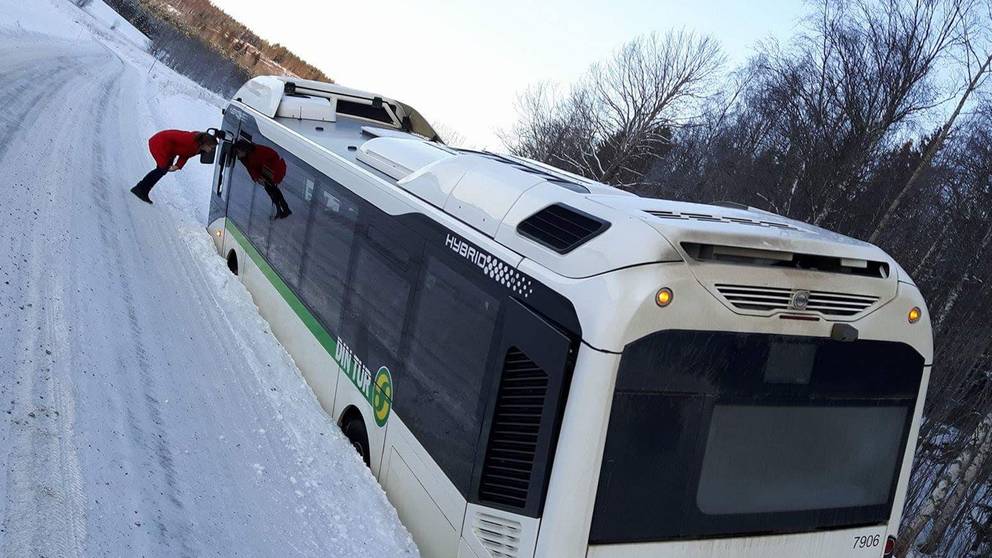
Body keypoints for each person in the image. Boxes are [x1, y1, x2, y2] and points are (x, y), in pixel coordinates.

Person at [130, 130, 217, 204]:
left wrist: (177, 166)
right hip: (159, 143)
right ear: (206, 144)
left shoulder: (197, 145)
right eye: (211, 147)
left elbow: (186, 154)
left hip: (166, 147)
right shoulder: (191, 141)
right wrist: (171, 160)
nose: (211, 150)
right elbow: (179, 147)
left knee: (162, 170)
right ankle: (140, 189)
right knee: (161, 169)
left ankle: (142, 190)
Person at [234, 140, 292, 219]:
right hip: (265, 175)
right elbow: (251, 169)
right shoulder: (246, 158)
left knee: (274, 192)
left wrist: (263, 176)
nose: (237, 155)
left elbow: (272, 158)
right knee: (272, 192)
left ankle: (284, 209)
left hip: (272, 171)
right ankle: (281, 209)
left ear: (244, 149)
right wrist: (258, 178)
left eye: (238, 152)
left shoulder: (257, 152)